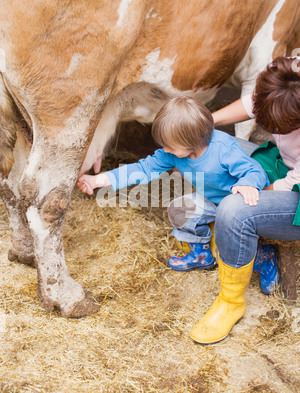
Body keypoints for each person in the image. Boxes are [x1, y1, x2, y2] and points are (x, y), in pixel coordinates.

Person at [77, 96, 268, 277]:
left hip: (238, 204)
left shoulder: (223, 148)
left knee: (232, 241)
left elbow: (254, 170)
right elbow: (142, 169)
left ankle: (263, 258)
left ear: (193, 140)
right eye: (163, 144)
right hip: (213, 198)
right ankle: (201, 255)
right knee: (179, 209)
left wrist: (248, 184)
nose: (165, 150)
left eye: (170, 145)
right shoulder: (172, 154)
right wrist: (98, 180)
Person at [189, 55, 300, 345]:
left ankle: (231, 301)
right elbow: (254, 103)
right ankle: (246, 245)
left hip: (296, 192)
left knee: (234, 210)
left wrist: (250, 186)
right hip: (286, 166)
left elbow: (290, 185)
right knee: (207, 146)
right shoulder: (290, 74)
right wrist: (204, 124)